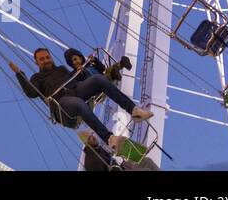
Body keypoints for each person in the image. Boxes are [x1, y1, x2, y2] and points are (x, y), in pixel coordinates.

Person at [10, 47, 153, 153]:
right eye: (42, 59)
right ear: (36, 62)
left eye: (47, 57)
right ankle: (109, 138)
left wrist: (84, 69)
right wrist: (19, 74)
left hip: (75, 89)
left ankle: (134, 111)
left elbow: (75, 79)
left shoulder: (61, 69)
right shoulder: (37, 78)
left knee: (98, 79)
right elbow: (31, 92)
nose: (46, 60)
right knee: (78, 104)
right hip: (62, 103)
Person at [64, 47, 131, 85]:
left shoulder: (89, 64)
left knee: (107, 71)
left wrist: (95, 60)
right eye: (72, 62)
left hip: (102, 77)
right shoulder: (75, 74)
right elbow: (77, 83)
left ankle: (121, 63)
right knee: (104, 78)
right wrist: (81, 73)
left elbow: (102, 69)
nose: (74, 62)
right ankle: (113, 75)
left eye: (75, 59)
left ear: (81, 58)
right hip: (95, 86)